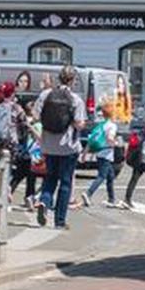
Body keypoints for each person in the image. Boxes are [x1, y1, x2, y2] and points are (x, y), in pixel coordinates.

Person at [33, 65, 86, 229]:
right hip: (68, 146)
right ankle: (60, 221)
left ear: (59, 78)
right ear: (72, 80)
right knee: (65, 183)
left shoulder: (45, 95)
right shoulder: (75, 99)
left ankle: (44, 201)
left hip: (49, 144)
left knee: (49, 178)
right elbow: (79, 124)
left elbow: (35, 116)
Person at [82, 102, 119, 207]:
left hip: (99, 153)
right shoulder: (112, 126)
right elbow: (110, 138)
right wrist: (116, 143)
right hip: (106, 154)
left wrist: (84, 154)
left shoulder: (100, 125)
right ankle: (88, 193)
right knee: (102, 176)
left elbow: (90, 140)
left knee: (110, 176)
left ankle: (111, 199)